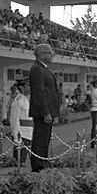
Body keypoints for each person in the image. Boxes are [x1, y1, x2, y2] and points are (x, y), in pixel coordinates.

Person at [29, 43, 59, 172]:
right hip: (43, 112)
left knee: (45, 139)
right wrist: (45, 112)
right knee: (40, 139)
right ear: (41, 55)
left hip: (49, 111)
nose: (52, 54)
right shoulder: (37, 69)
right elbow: (39, 93)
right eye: (49, 52)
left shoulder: (45, 69)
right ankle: (38, 165)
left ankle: (43, 161)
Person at [9, 78, 33, 164]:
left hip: (28, 132)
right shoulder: (18, 100)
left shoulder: (26, 99)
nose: (31, 87)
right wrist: (16, 135)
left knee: (24, 160)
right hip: (22, 133)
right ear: (21, 87)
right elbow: (14, 119)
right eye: (28, 85)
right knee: (19, 161)